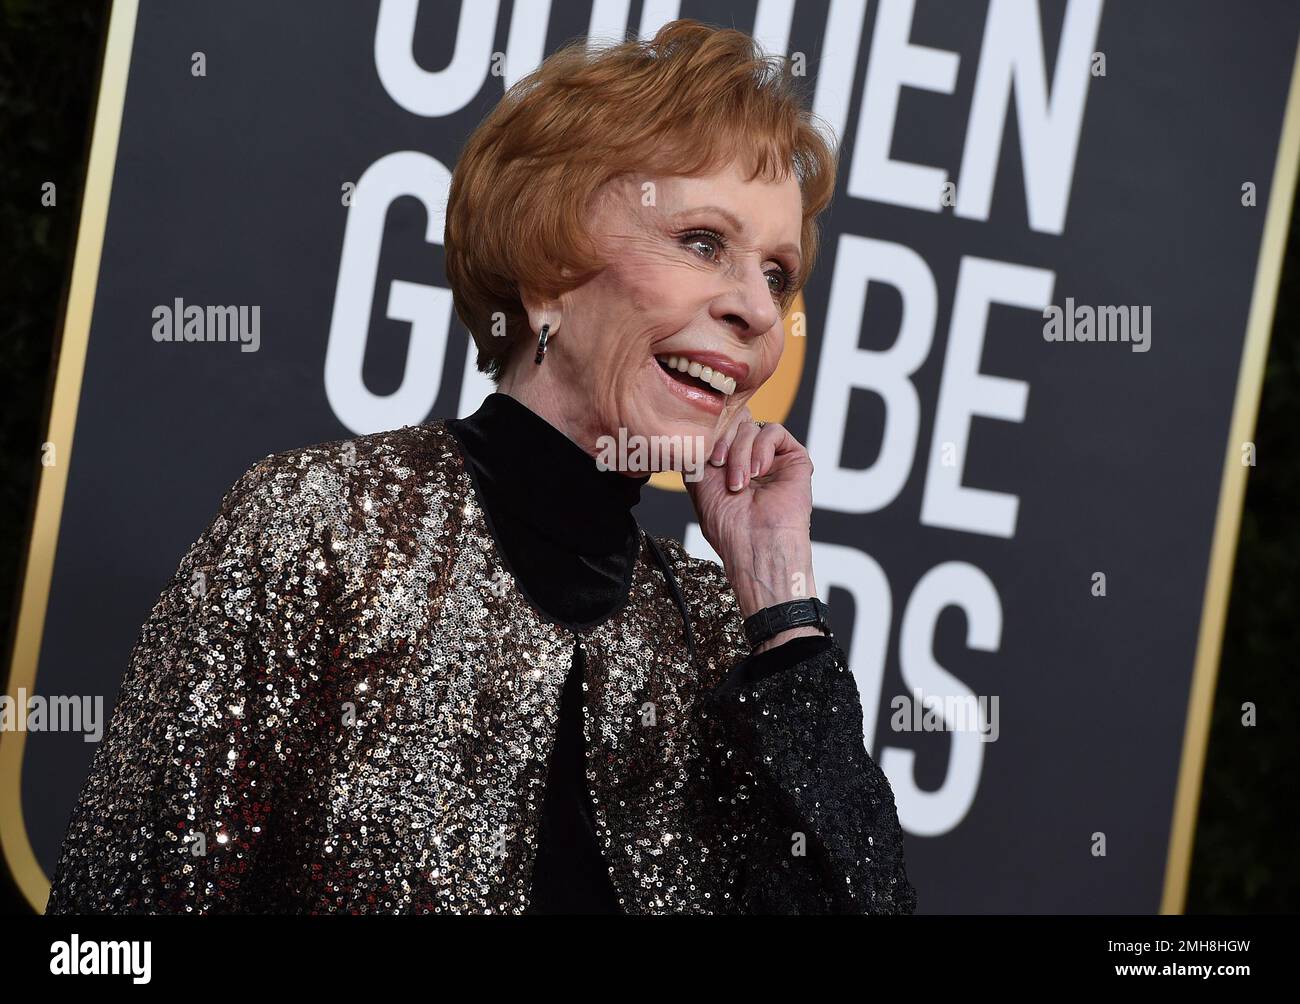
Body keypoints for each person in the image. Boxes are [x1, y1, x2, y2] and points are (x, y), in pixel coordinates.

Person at [45, 19, 915, 915]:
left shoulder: (718, 640)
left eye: (778, 274)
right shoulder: (323, 528)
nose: (757, 311)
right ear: (547, 267)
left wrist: (783, 609)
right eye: (702, 242)